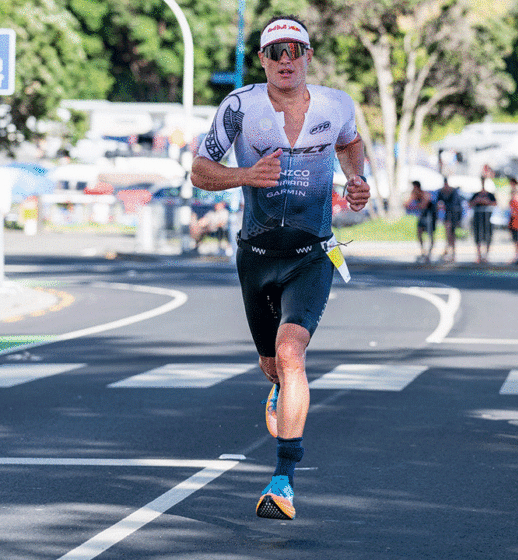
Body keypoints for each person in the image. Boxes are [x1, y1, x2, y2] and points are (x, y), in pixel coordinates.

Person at [190, 15, 371, 521]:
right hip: (256, 256)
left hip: (311, 254)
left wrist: (357, 181)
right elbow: (200, 170)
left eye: (296, 50)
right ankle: (276, 384)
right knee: (273, 364)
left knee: (292, 354)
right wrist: (246, 174)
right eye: (276, 52)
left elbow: (351, 145)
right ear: (263, 61)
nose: (286, 60)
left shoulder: (336, 105)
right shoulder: (240, 108)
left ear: (308, 56)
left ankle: (283, 481)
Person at [469, 175, 497, 263]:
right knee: (477, 236)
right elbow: (470, 204)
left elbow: (495, 203)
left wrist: (486, 202)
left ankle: (486, 256)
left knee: (488, 236)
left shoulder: (490, 194)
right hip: (478, 218)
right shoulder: (476, 194)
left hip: (488, 219)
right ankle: (479, 256)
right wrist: (477, 201)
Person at [406, 180, 436, 262]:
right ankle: (423, 252)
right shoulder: (415, 194)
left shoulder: (425, 194)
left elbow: (423, 205)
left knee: (430, 234)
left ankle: (429, 253)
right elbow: (407, 205)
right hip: (422, 215)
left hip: (430, 215)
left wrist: (414, 203)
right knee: (419, 232)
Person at [436, 178, 462, 262]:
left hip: (453, 215)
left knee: (451, 234)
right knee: (449, 234)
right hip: (447, 216)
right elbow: (438, 201)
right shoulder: (442, 192)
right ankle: (448, 251)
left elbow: (455, 204)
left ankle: (450, 252)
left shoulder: (453, 192)